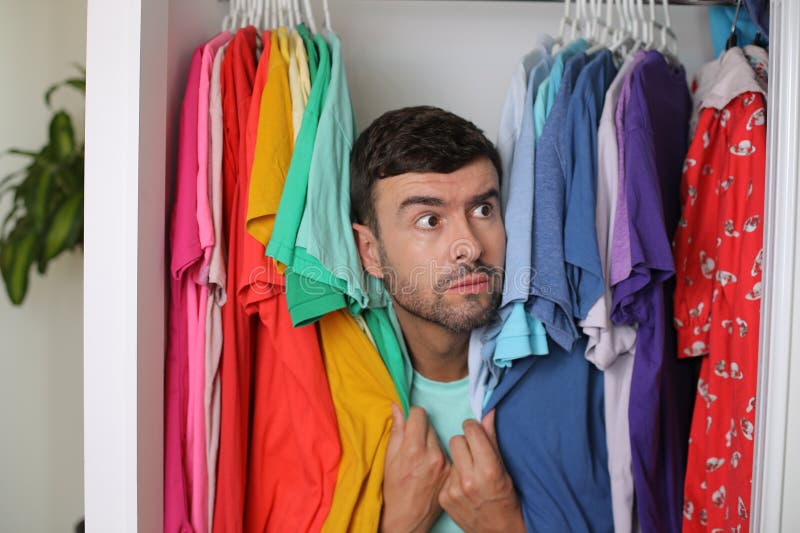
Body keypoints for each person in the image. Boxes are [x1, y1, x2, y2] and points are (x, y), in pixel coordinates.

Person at [351, 106, 526, 533]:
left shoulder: (552, 387)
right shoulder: (344, 401)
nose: (468, 245)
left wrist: (504, 526)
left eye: (483, 210)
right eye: (429, 220)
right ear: (371, 252)